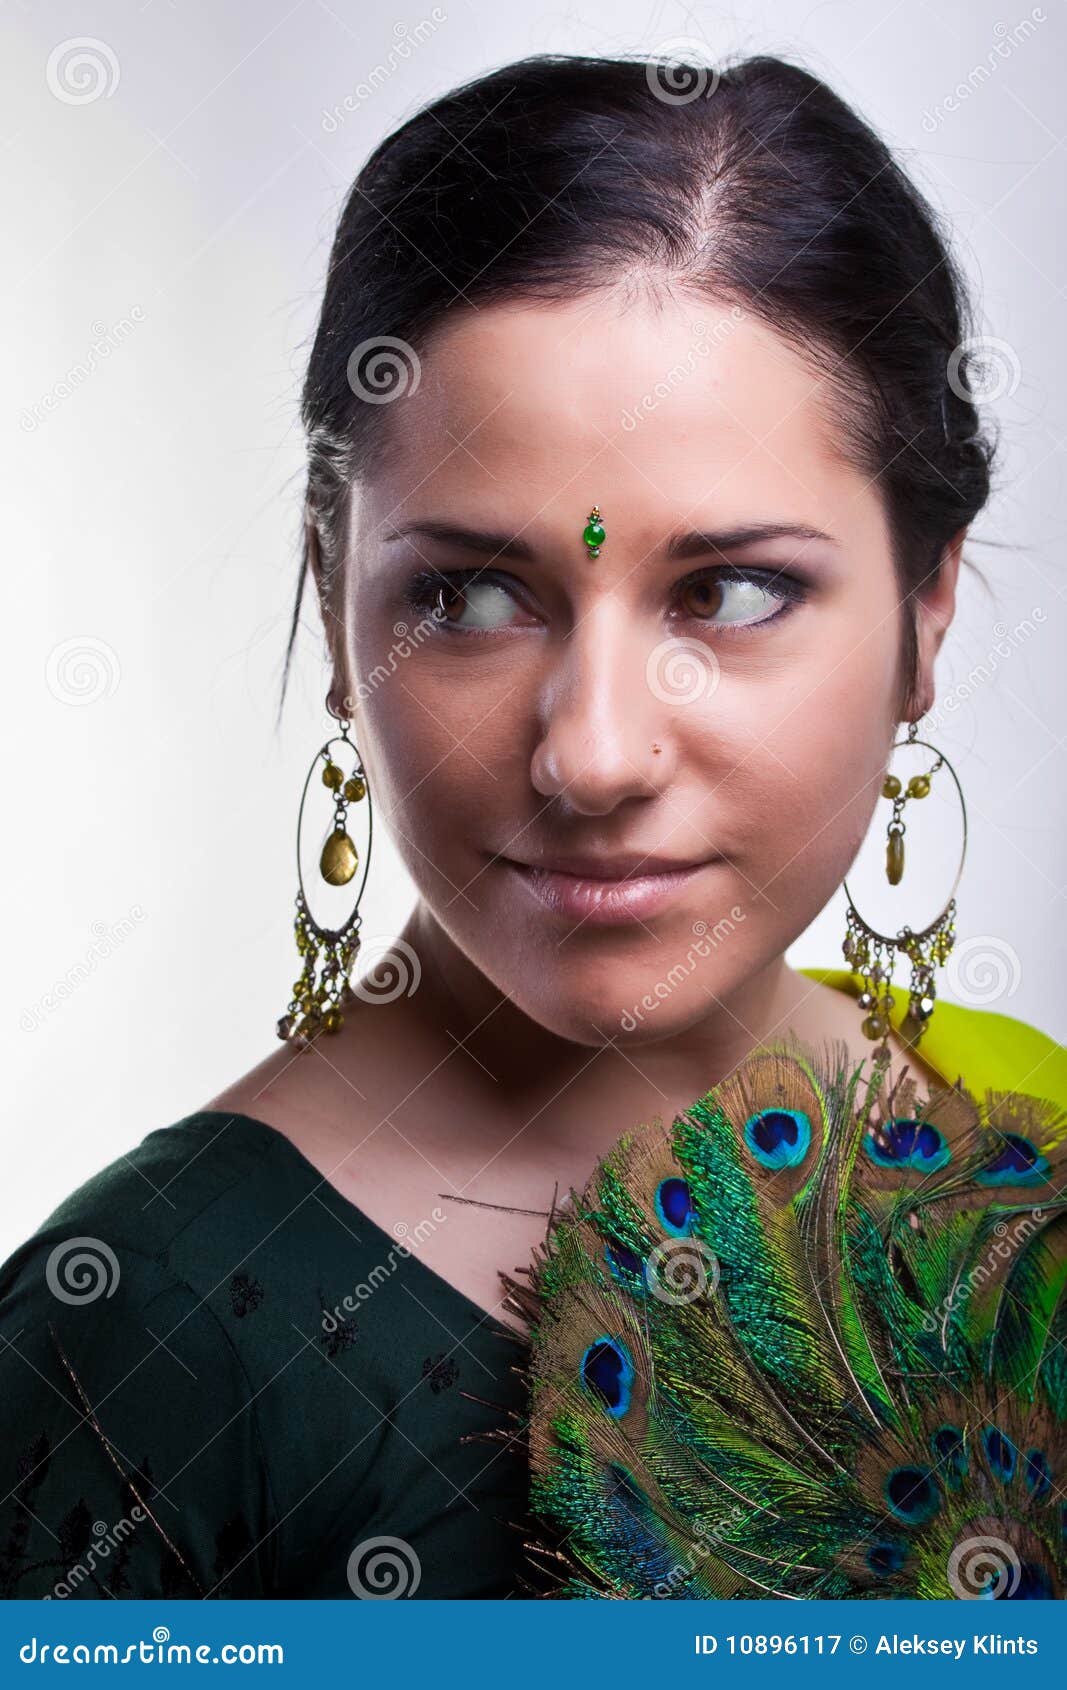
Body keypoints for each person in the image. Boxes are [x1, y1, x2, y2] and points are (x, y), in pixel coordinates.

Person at [2, 51, 1063, 1602]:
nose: (593, 752)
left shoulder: (1020, 1134)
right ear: (329, 588)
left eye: (732, 591)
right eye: (473, 596)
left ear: (927, 607)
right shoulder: (135, 1347)